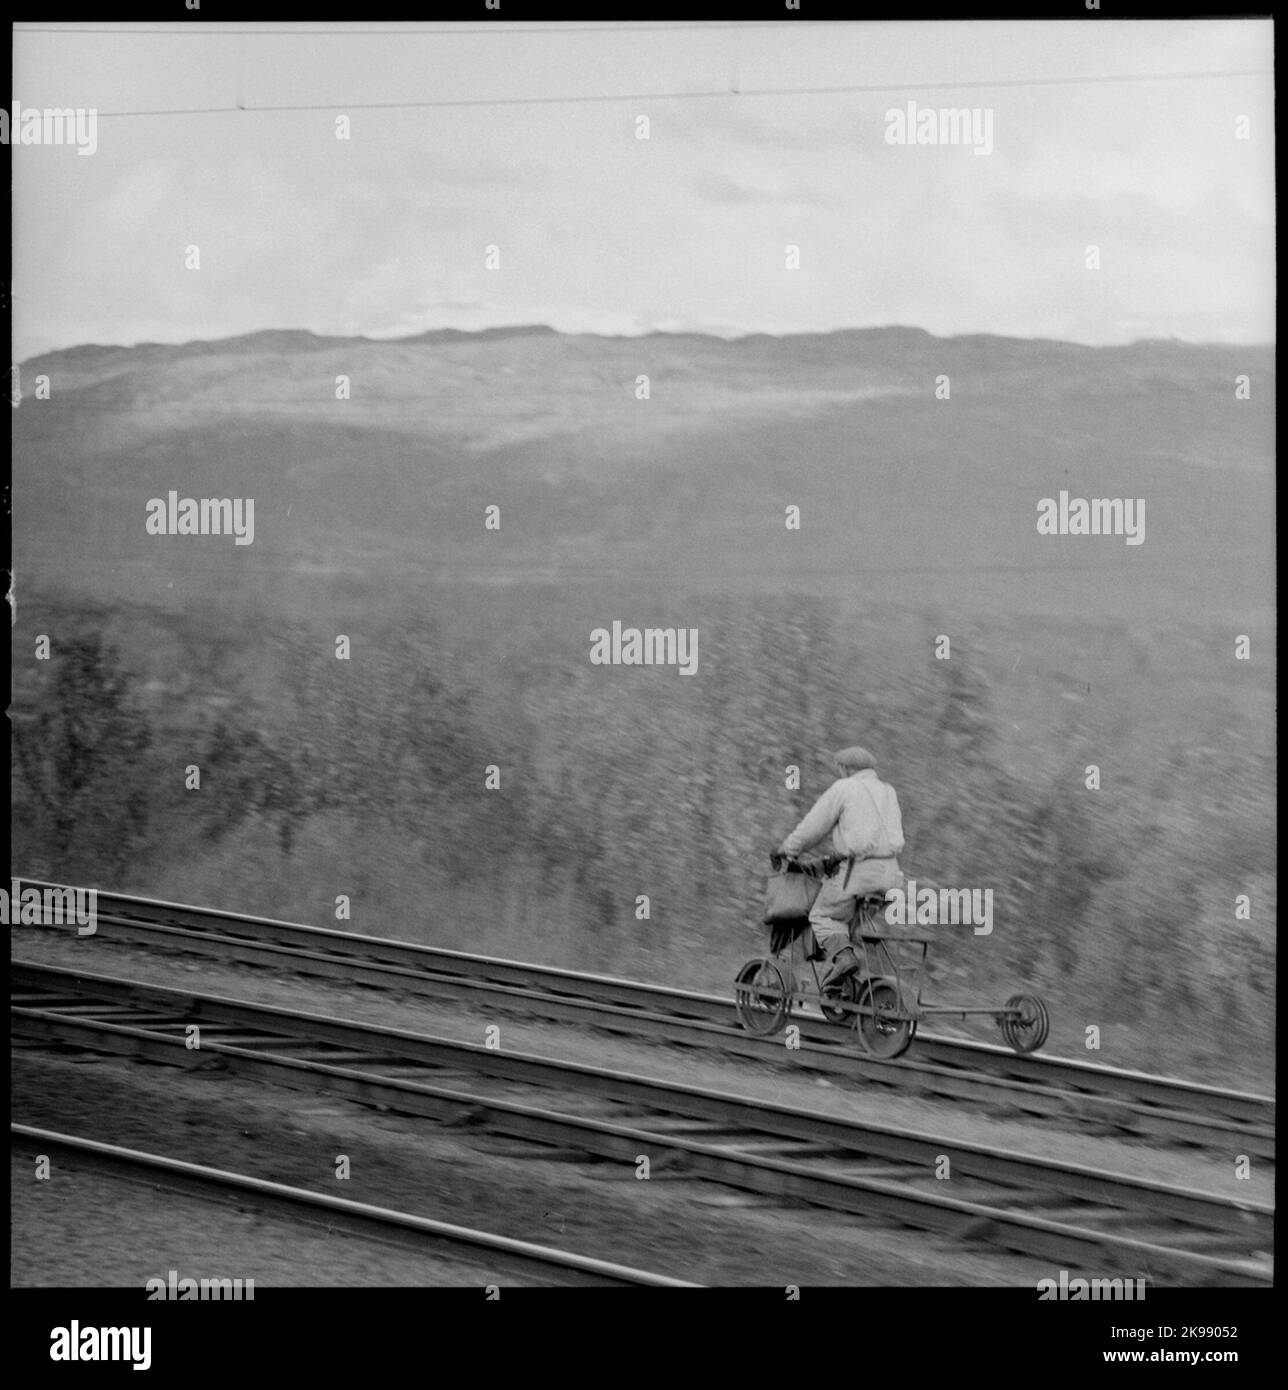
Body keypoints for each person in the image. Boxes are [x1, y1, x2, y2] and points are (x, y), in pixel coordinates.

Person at [776, 746, 905, 986]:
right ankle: (842, 982)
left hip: (859, 873)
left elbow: (813, 827)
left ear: (845, 768)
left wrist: (787, 850)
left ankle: (845, 961)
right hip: (891, 877)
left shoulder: (844, 788)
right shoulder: (888, 791)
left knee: (822, 915)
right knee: (846, 924)